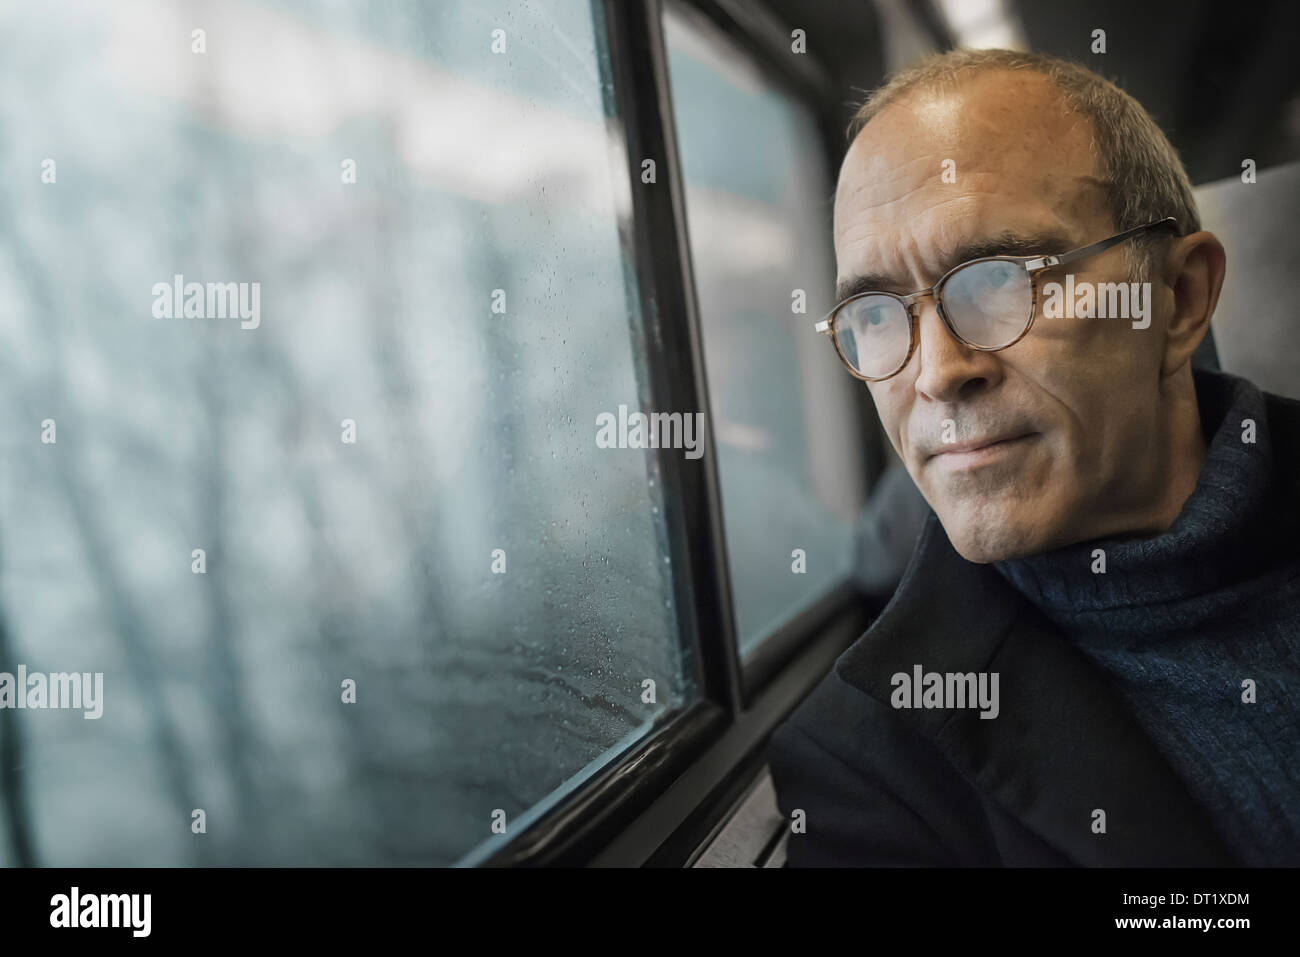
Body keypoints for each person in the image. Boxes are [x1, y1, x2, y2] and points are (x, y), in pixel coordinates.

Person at [767, 48, 1300, 866]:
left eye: (999, 280)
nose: (939, 372)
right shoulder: (870, 760)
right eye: (875, 314)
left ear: (1179, 298)